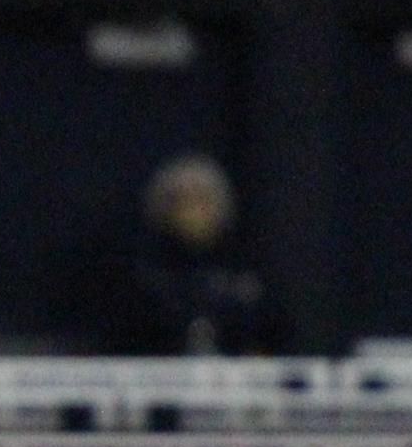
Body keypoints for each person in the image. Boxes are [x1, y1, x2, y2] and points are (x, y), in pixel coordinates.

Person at [101, 151, 282, 355]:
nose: (192, 210)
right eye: (181, 199)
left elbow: (271, 330)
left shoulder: (246, 265)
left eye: (201, 198)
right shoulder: (143, 271)